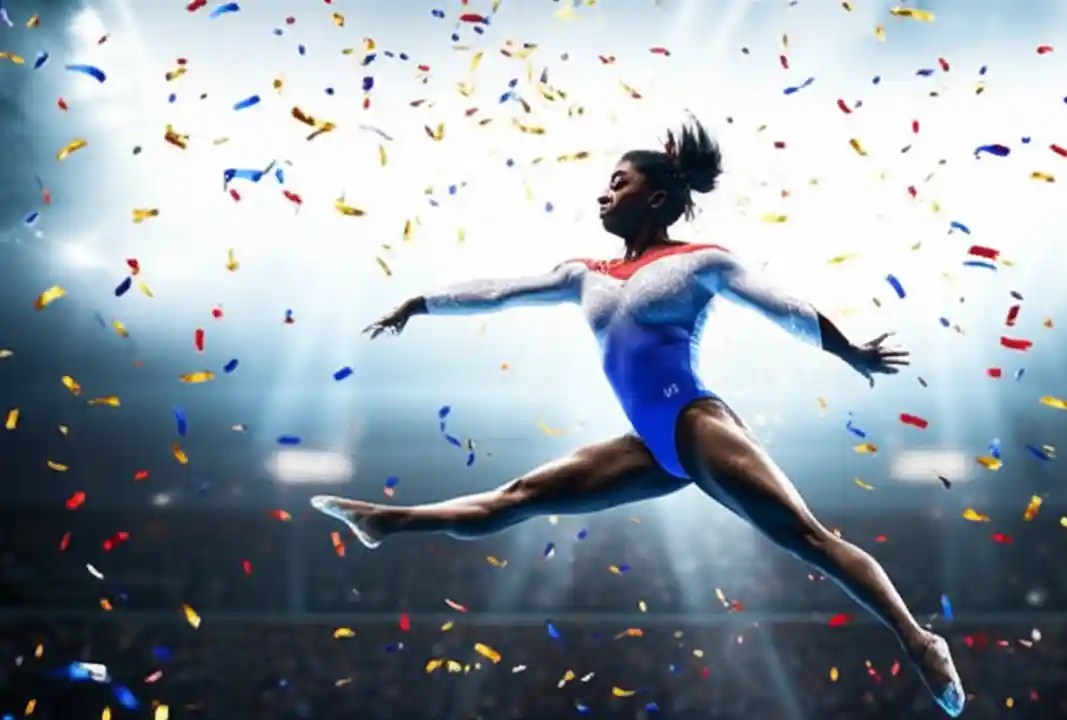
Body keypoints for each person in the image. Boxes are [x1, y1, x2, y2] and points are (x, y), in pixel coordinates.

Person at [312, 118, 965, 716]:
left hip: (696, 422)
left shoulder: (701, 262)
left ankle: (918, 639)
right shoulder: (583, 274)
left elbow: (780, 305)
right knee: (518, 496)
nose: (604, 193)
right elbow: (500, 293)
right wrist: (421, 303)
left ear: (655, 198)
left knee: (806, 538)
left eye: (618, 182)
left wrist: (847, 350)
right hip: (649, 444)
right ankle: (387, 521)